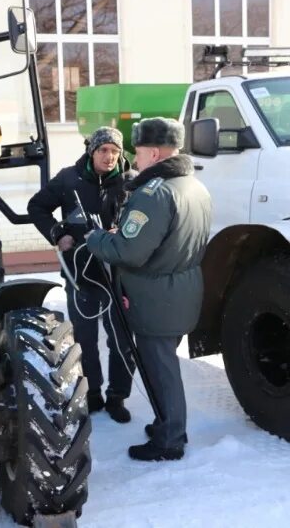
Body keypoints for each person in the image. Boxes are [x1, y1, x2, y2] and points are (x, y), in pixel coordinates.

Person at [85, 117, 212, 461]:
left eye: (138, 152)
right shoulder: (194, 185)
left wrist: (95, 237)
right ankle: (165, 423)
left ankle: (170, 440)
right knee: (164, 364)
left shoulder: (154, 194)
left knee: (161, 369)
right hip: (181, 288)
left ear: (154, 153)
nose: (134, 159)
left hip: (156, 298)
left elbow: (129, 252)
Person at [27, 127, 137, 422]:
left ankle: (117, 396)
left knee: (122, 340)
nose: (110, 156)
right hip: (80, 274)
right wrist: (58, 233)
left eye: (115, 151)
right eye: (104, 150)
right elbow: (36, 207)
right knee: (85, 340)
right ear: (92, 151)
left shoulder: (131, 182)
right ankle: (91, 393)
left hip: (119, 277)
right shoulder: (68, 178)